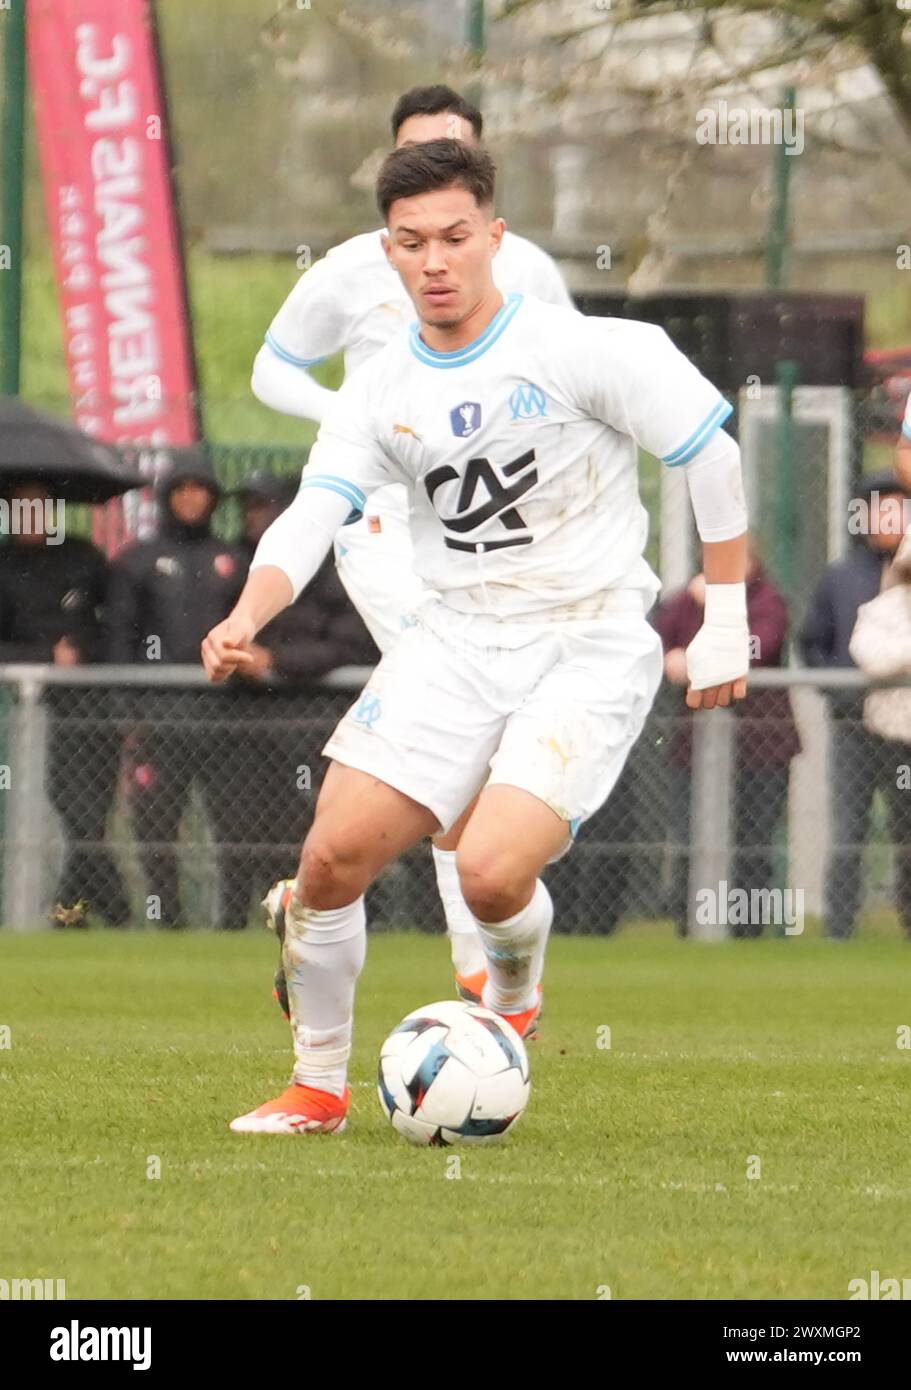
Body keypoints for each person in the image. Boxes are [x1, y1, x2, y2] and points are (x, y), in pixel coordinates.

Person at [203, 138, 750, 1135]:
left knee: (491, 871)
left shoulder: (583, 348)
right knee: (326, 864)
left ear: (493, 236)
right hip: (451, 640)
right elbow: (312, 514)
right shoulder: (375, 391)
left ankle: (512, 987)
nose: (436, 260)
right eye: (412, 243)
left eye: (456, 236)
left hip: (584, 638)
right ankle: (316, 1088)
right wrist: (247, 612)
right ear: (388, 252)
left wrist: (726, 619)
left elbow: (709, 455)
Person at [252, 84, 576, 1005]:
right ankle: (480, 975)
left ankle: (313, 893)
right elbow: (271, 369)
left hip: (494, 534)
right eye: (417, 149)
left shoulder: (531, 272)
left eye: (452, 147)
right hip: (385, 525)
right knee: (457, 726)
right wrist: (360, 428)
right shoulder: (354, 268)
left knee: (468, 739)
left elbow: (574, 399)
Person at [227, 471, 380, 972]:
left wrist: (275, 661)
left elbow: (350, 643)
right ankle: (242, 919)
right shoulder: (234, 566)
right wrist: (234, 650)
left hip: (317, 721)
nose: (255, 518)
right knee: (244, 823)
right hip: (244, 722)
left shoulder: (341, 567)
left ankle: (335, 917)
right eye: (248, 508)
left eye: (265, 507)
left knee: (324, 829)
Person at [106, 446, 248, 928]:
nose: (191, 500)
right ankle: (168, 922)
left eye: (200, 491)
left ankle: (233, 924)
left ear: (213, 498)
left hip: (227, 719)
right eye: (182, 490)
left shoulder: (234, 560)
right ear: (167, 496)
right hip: (160, 720)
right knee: (156, 828)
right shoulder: (138, 560)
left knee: (239, 828)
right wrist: (129, 715)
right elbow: (119, 639)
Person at [653, 541, 800, 937]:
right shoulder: (687, 598)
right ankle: (692, 925)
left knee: (752, 844)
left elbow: (758, 648)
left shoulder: (768, 600)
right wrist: (672, 652)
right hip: (694, 748)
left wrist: (703, 625)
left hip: (760, 749)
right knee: (688, 837)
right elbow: (657, 638)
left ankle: (746, 930)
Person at [0, 479, 130, 925]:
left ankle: (70, 913)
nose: (32, 515)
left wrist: (84, 648)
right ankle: (119, 911)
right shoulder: (2, 562)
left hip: (90, 704)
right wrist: (43, 657)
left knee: (90, 815)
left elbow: (115, 626)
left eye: (40, 506)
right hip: (23, 712)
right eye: (22, 506)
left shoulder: (84, 558)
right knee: (76, 810)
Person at [800, 473, 911, 938]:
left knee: (907, 835)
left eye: (897, 509)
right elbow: (811, 644)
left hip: (906, 729)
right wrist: (845, 693)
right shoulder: (842, 576)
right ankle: (839, 931)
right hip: (852, 728)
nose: (887, 520)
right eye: (878, 510)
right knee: (848, 832)